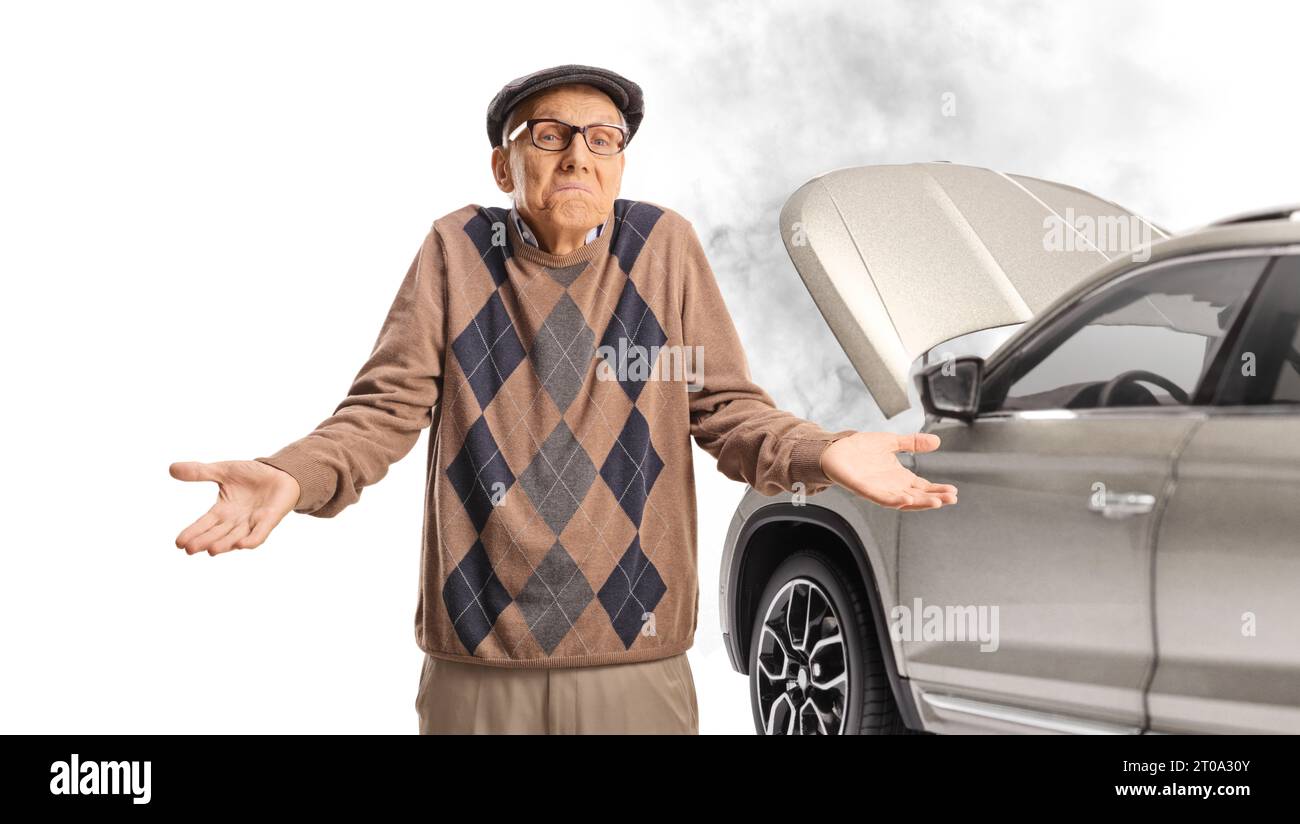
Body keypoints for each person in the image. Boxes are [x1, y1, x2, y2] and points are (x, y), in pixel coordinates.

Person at [170, 64, 957, 734]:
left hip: (636, 667)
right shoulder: (456, 248)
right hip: (477, 670)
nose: (578, 155)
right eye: (548, 135)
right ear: (503, 166)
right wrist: (294, 474)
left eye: (602, 139)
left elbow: (724, 411)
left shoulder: (663, 248)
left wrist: (821, 450)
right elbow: (382, 410)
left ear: (618, 163)